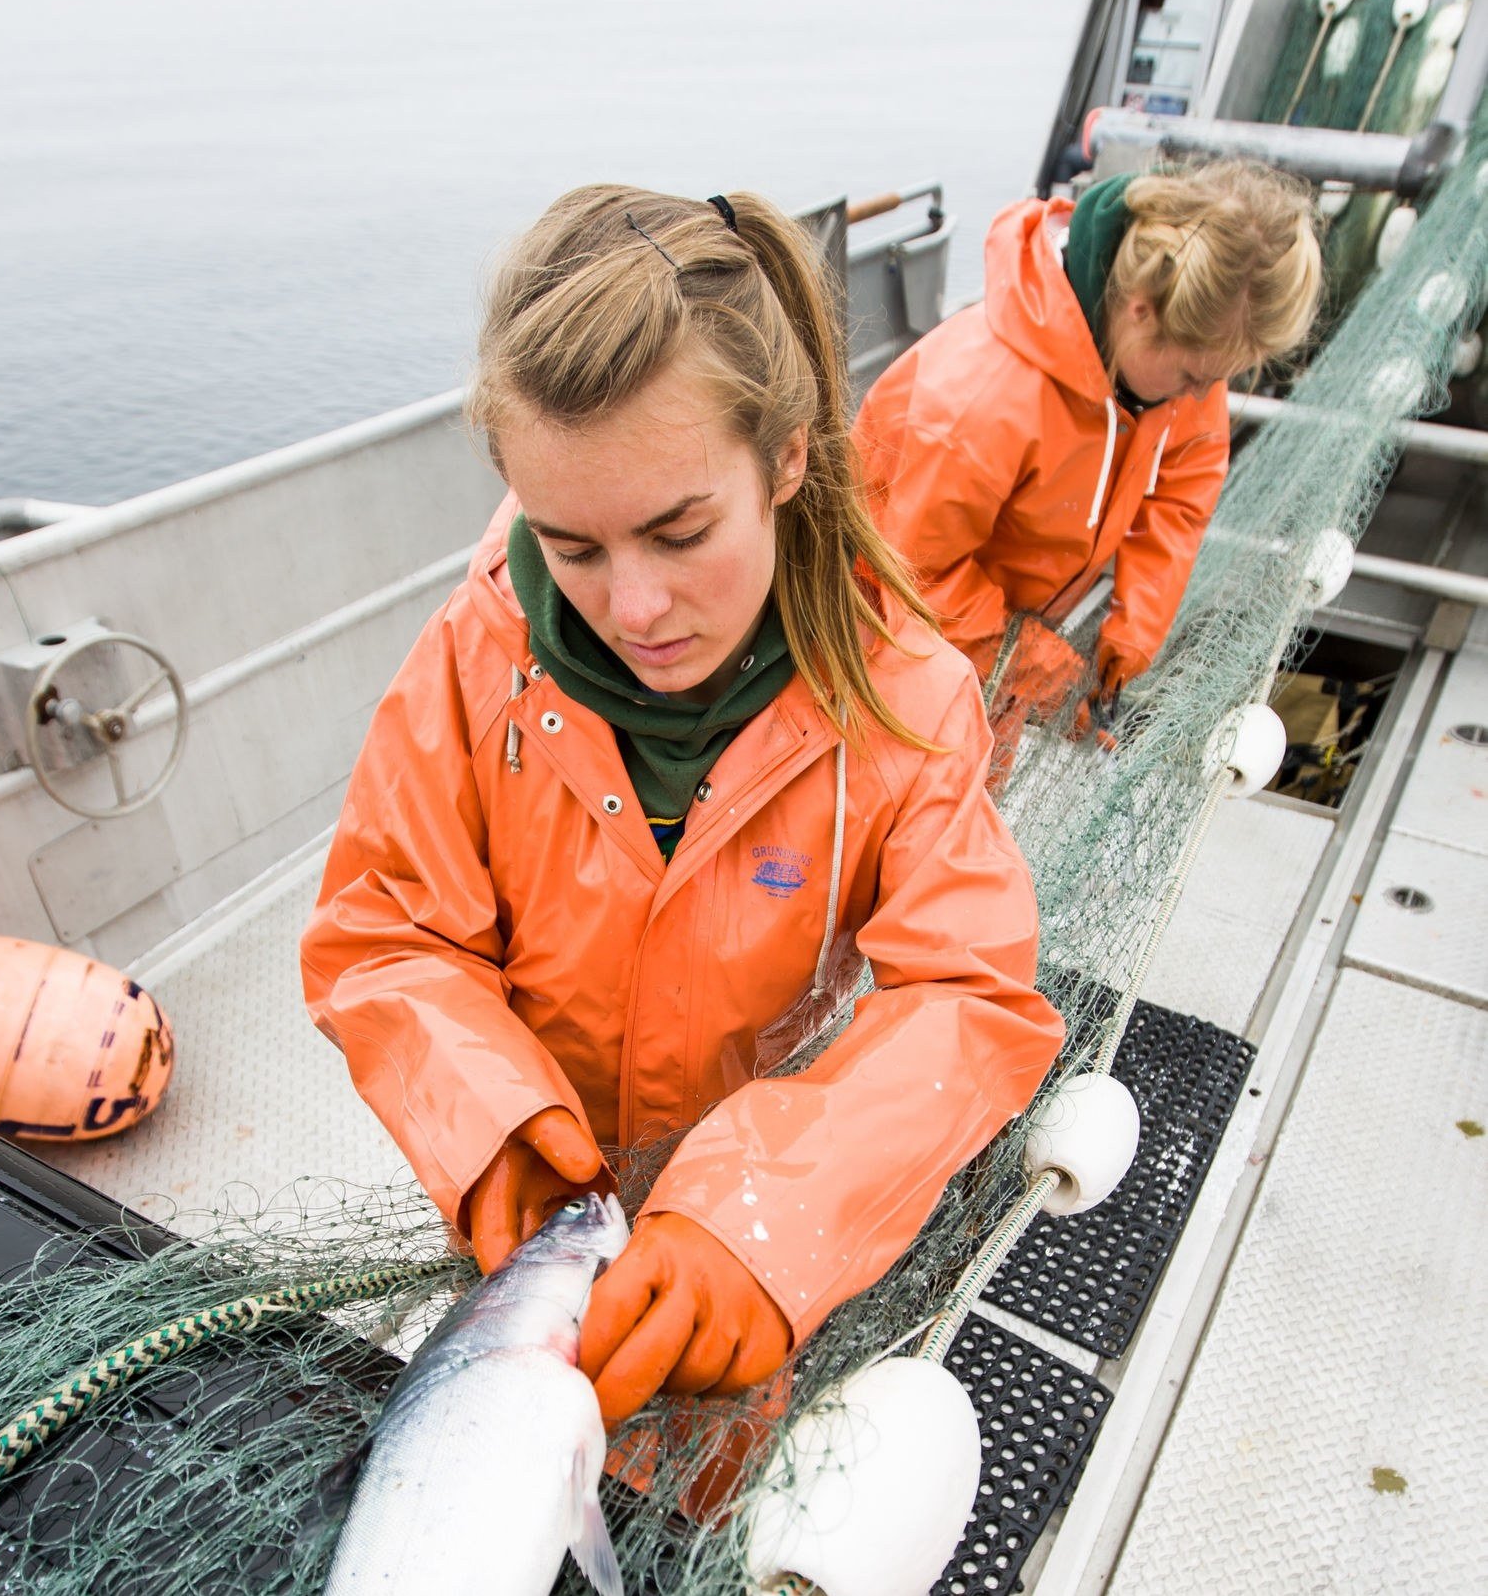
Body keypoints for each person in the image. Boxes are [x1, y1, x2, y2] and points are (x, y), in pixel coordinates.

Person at [300, 186, 1064, 1432]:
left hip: (751, 1261)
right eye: (574, 548)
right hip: (532, 1243)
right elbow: (385, 931)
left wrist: (766, 1215)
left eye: (680, 531)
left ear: (787, 459)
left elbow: (968, 994)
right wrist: (492, 1131)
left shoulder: (910, 699)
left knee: (710, 1476)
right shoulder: (472, 655)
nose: (636, 608)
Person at [853, 158, 1323, 773]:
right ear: (1141, 311)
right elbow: (900, 578)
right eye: (1194, 376)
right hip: (878, 662)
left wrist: (1131, 638)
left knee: (978, 791)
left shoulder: (1178, 359)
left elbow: (1188, 470)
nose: (1200, 395)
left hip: (991, 653)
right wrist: (1035, 666)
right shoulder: (980, 402)